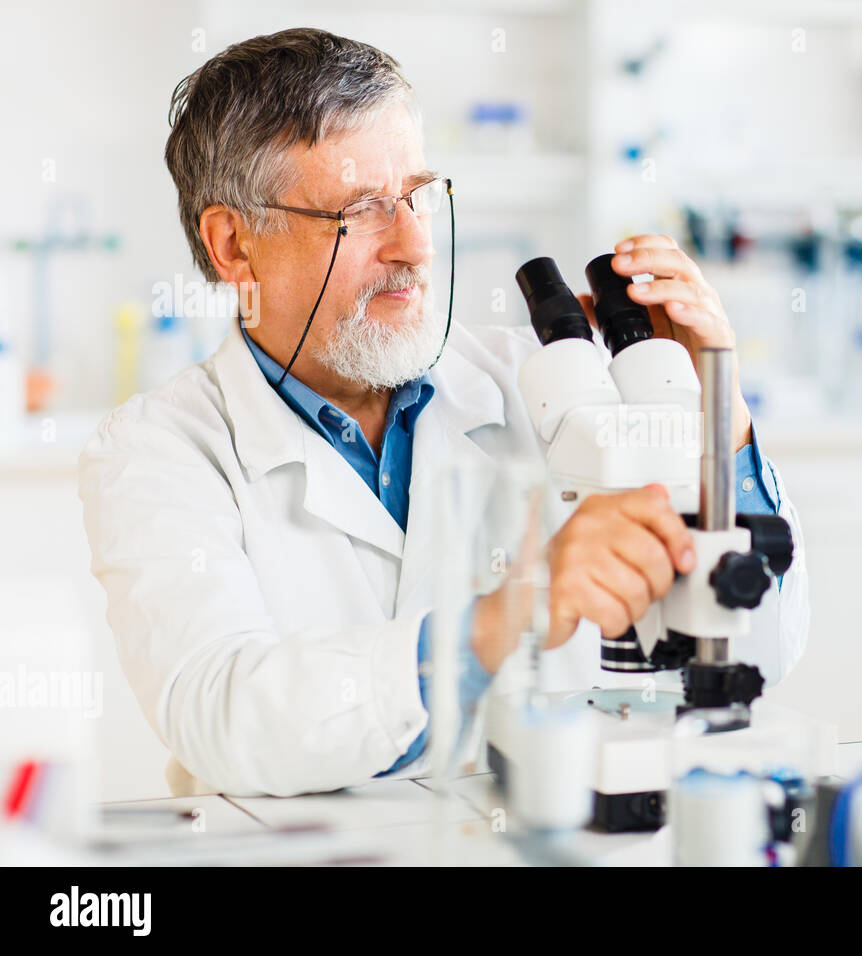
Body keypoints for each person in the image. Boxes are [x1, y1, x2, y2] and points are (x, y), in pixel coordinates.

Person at [78, 28, 808, 797]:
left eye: (419, 197)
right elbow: (223, 714)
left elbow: (760, 652)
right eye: (361, 211)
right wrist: (512, 612)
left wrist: (716, 416)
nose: (415, 245)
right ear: (233, 244)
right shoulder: (157, 450)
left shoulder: (553, 382)